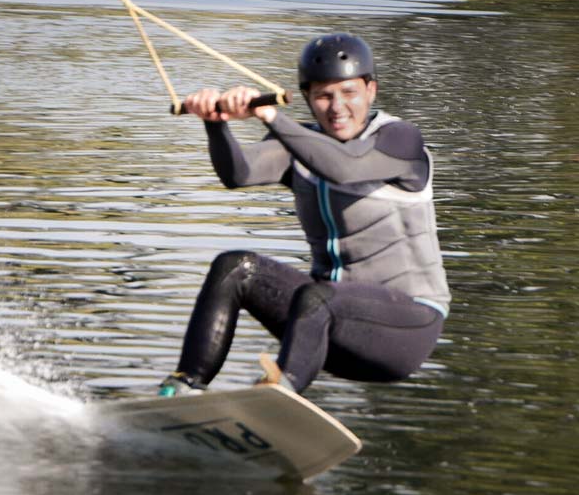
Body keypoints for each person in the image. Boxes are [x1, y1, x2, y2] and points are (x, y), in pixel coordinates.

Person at [158, 33, 450, 396]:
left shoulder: (399, 140)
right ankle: (184, 389)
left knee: (319, 296)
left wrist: (268, 115)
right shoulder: (299, 148)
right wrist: (216, 123)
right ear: (309, 99)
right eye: (324, 95)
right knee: (234, 267)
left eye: (349, 93)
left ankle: (275, 400)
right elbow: (239, 174)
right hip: (325, 330)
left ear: (371, 90)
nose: (337, 107)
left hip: (403, 331)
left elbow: (344, 168)